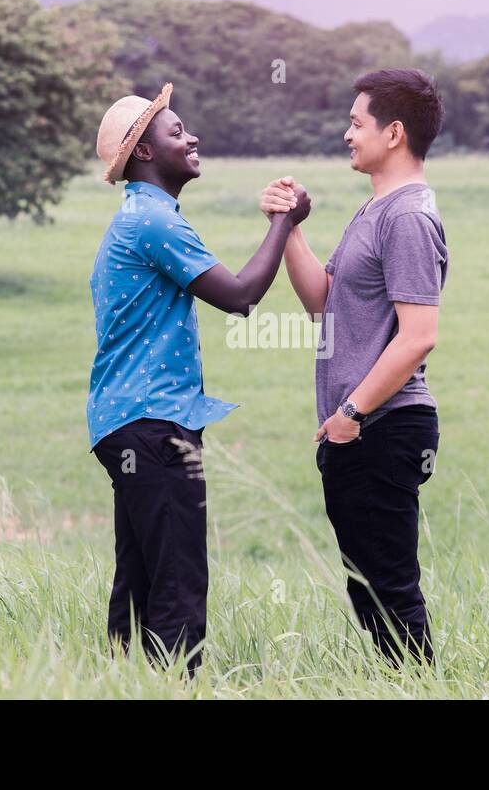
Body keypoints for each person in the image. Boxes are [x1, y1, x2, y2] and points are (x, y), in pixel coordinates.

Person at [89, 83, 311, 675]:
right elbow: (239, 297)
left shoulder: (137, 218)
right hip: (155, 425)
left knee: (140, 577)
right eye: (176, 131)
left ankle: (121, 682)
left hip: (127, 422)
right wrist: (284, 222)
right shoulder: (152, 222)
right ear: (143, 153)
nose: (191, 138)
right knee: (179, 582)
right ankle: (174, 685)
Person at [260, 69, 447, 665]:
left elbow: (419, 337)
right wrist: (287, 227)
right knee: (368, 592)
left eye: (356, 122)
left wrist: (350, 412)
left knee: (390, 590)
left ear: (393, 133)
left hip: (384, 425)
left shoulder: (409, 217)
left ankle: (420, 684)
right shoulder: (375, 210)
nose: (347, 133)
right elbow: (324, 300)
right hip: (362, 429)